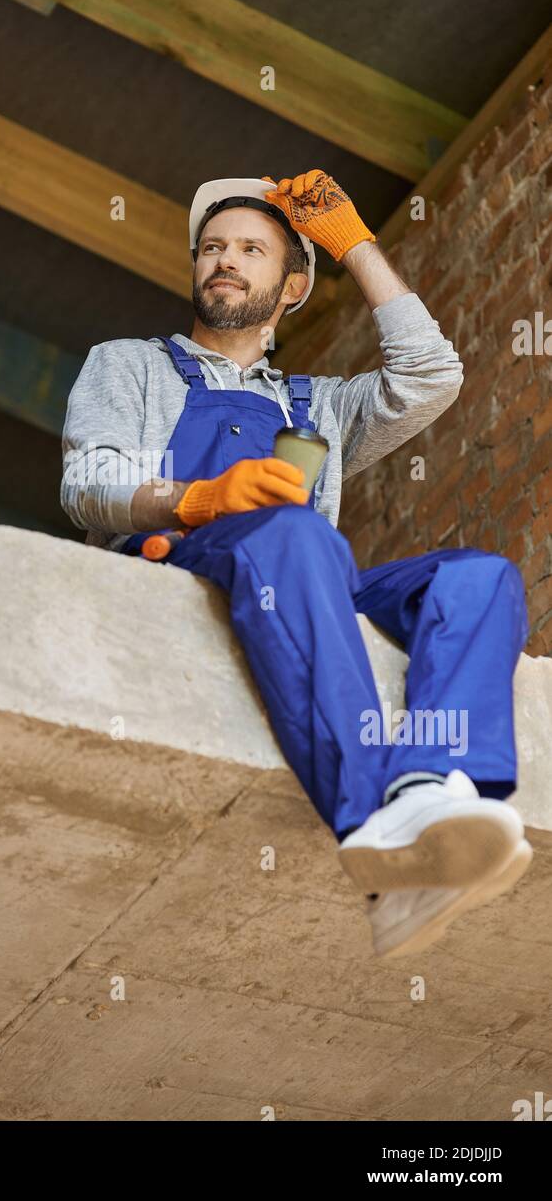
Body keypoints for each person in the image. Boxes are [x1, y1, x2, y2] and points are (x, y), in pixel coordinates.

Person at [60, 170, 531, 958]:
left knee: (479, 578)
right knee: (296, 534)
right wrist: (199, 497)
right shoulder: (130, 364)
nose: (224, 261)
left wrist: (358, 248)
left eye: (251, 249)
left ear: (293, 286)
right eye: (211, 248)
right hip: (184, 562)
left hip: (306, 581)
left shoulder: (322, 405)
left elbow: (431, 378)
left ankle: (426, 786)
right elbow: (87, 482)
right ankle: (370, 825)